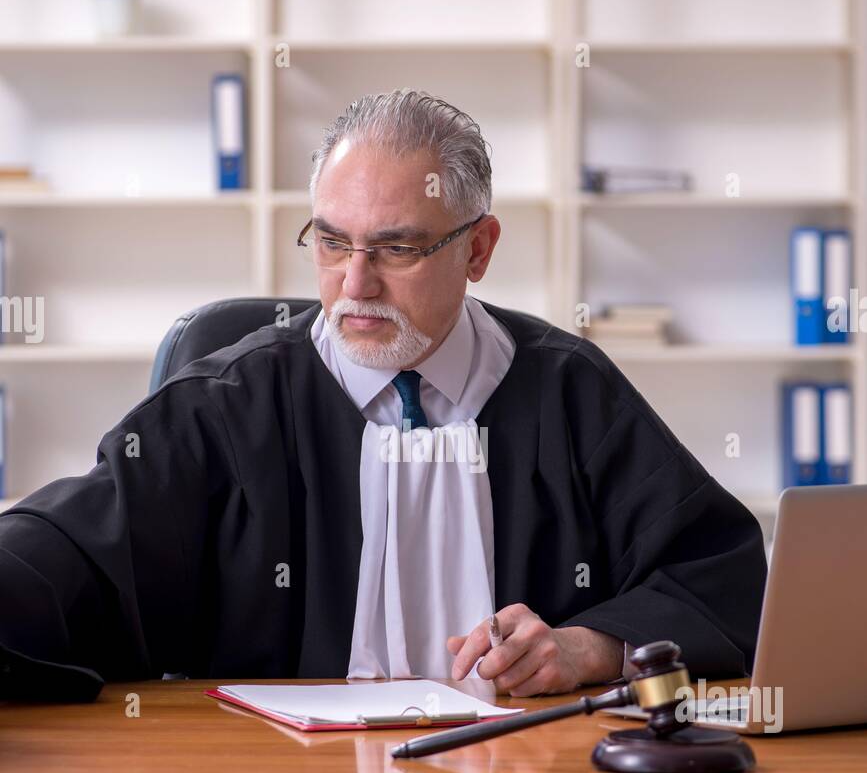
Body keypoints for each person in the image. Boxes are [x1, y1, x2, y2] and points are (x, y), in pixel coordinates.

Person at [0, 89, 766, 698]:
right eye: (332, 242)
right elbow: (71, 552)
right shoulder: (226, 405)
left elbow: (715, 572)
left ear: (478, 249)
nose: (355, 284)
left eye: (396, 248)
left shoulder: (569, 391)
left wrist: (587, 646)